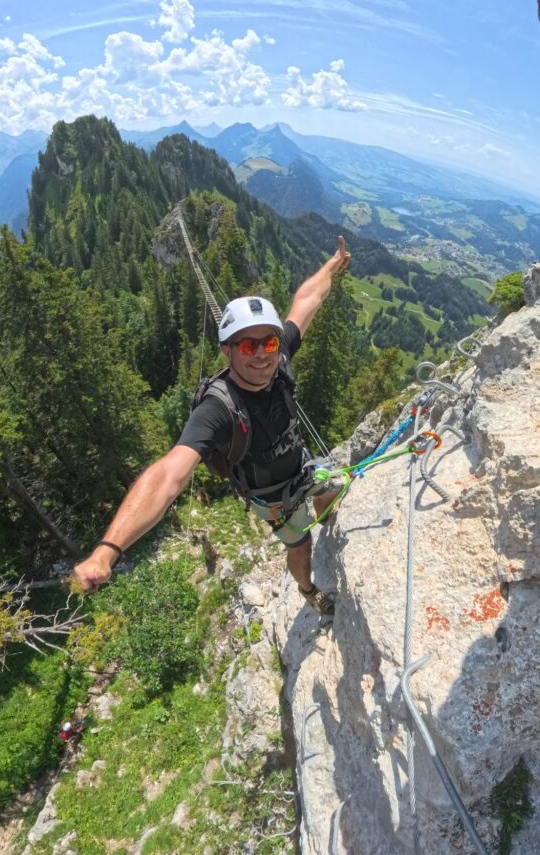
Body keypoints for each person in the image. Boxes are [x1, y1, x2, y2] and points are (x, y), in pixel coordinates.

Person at [72, 237, 352, 615]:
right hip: (271, 496)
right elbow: (169, 475)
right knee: (299, 544)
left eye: (267, 344)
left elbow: (305, 302)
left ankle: (327, 513)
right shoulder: (218, 409)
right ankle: (307, 591)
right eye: (246, 346)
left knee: (329, 484)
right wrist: (107, 551)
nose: (260, 355)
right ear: (227, 350)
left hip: (298, 464)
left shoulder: (279, 354)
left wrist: (331, 265)